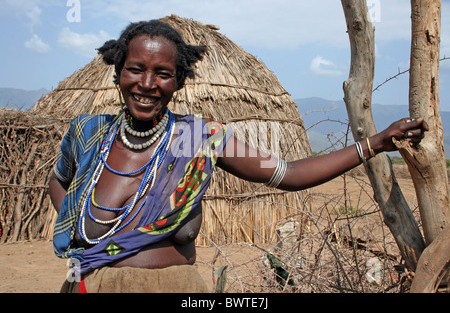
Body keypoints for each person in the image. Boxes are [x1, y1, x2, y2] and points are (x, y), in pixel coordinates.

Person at [49, 20, 428, 293]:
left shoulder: (190, 139)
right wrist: (79, 229)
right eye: (136, 69)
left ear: (178, 82)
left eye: (163, 74)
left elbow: (288, 173)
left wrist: (374, 143)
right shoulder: (90, 132)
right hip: (87, 284)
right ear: (118, 73)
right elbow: (58, 179)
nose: (147, 84)